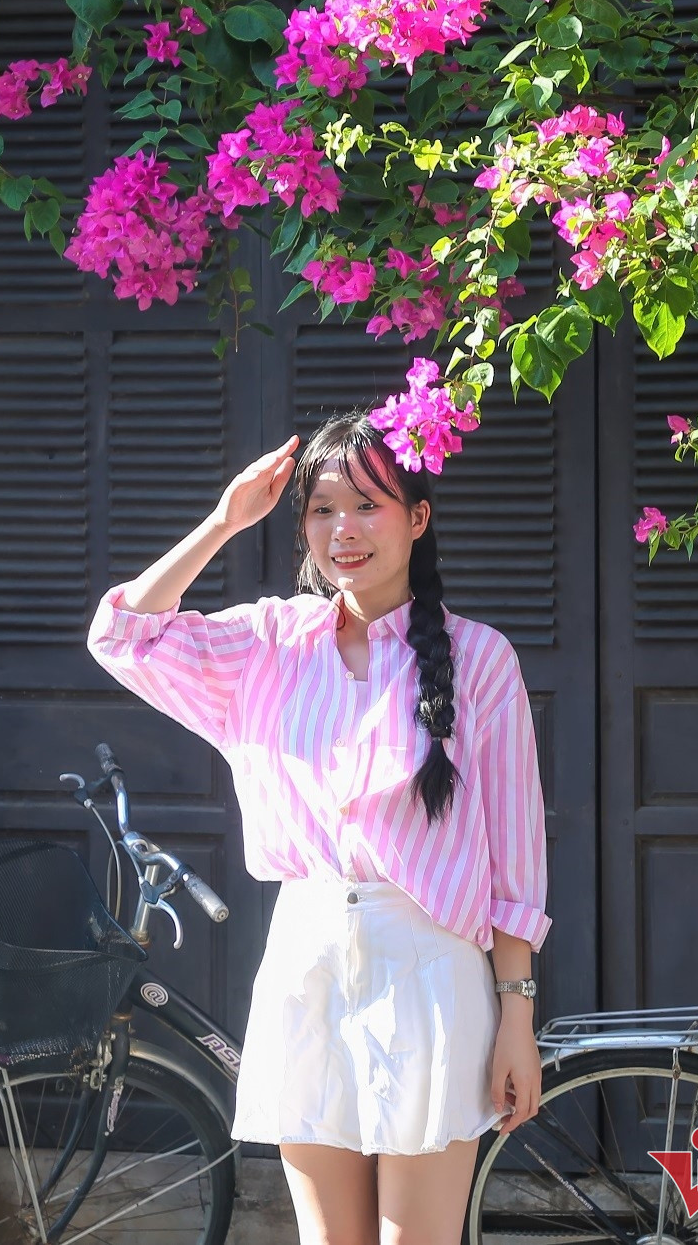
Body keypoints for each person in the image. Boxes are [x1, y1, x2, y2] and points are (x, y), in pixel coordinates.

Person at [88, 412, 548, 1245]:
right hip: (306, 962)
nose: (345, 532)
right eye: (323, 509)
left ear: (418, 517)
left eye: (370, 506)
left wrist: (516, 1016)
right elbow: (120, 635)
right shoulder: (267, 642)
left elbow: (515, 859)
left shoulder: (480, 659)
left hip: (430, 971)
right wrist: (225, 522)